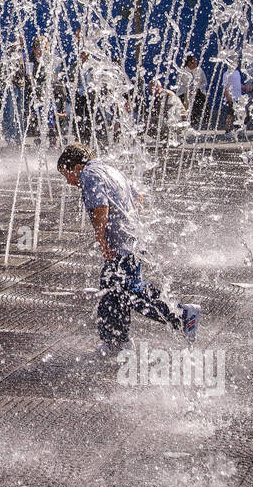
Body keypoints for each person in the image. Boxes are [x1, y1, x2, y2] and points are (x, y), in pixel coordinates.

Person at [56, 143, 199, 358]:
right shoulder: (111, 170)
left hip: (120, 245)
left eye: (67, 175)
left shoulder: (88, 174)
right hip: (131, 241)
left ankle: (181, 314)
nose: (68, 181)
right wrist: (130, 223)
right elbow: (138, 198)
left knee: (130, 290)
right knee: (113, 290)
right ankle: (117, 341)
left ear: (76, 166)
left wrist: (101, 239)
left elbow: (101, 207)